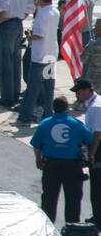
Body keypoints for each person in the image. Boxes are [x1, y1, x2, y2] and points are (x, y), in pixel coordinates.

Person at [30, 96, 90, 224]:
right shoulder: (77, 124)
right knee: (73, 199)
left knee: (49, 199)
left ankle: (48, 228)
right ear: (67, 108)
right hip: (72, 166)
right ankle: (72, 230)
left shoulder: (45, 123)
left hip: (51, 165)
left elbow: (36, 144)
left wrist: (38, 159)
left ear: (53, 108)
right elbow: (89, 140)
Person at [17, 0, 60, 126]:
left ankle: (25, 116)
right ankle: (48, 114)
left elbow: (39, 35)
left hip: (40, 54)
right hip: (51, 53)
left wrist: (30, 36)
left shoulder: (42, 14)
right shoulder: (55, 11)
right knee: (48, 85)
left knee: (33, 87)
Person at [71, 78, 101, 224]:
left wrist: (92, 154)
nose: (78, 95)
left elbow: (97, 134)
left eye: (79, 92)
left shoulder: (95, 107)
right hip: (97, 146)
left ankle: (98, 218)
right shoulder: (94, 103)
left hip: (98, 148)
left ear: (87, 90)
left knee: (96, 187)